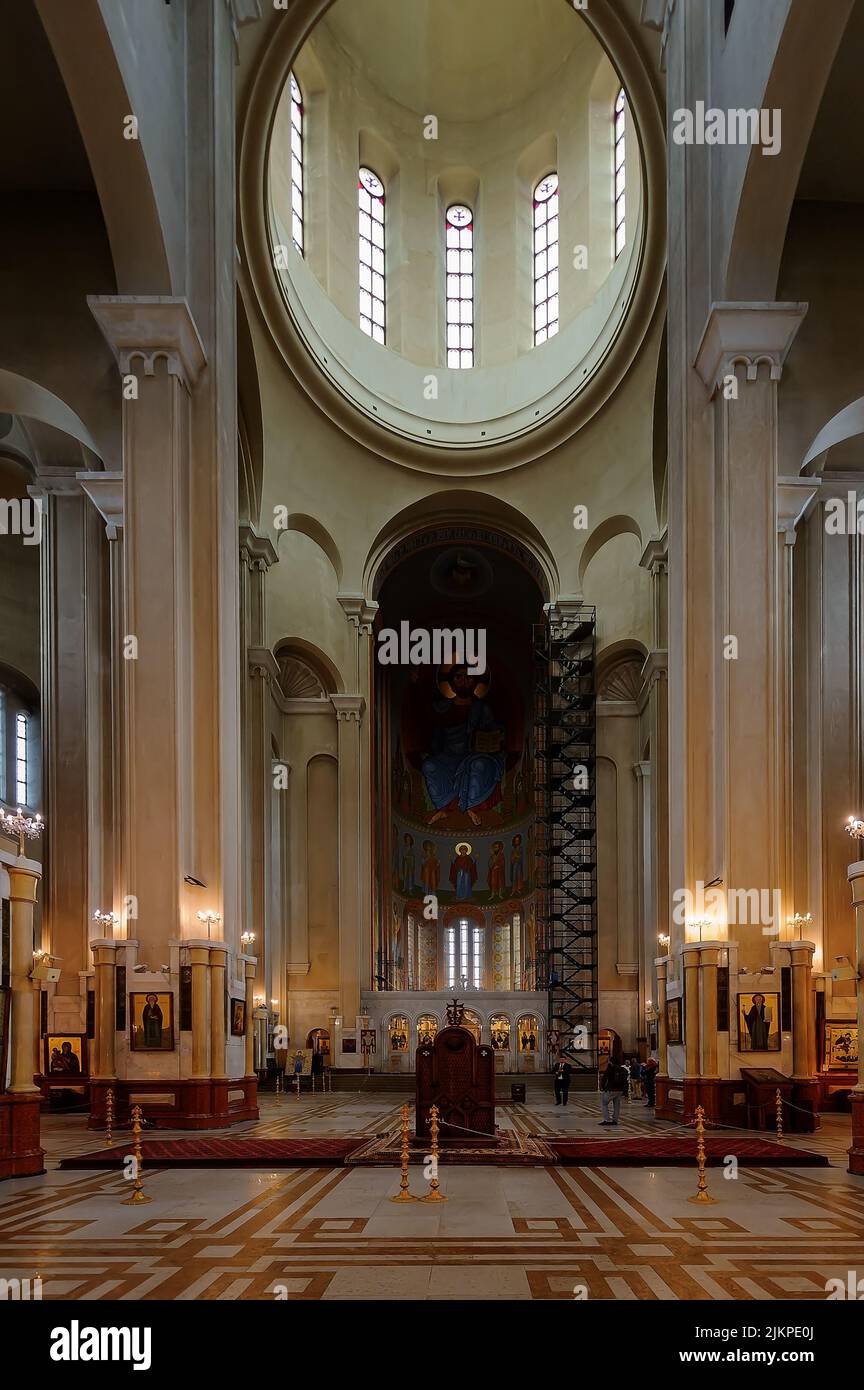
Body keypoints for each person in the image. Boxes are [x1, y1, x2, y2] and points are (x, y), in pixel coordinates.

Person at [600, 1058, 628, 1125]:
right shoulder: (623, 1069)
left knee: (604, 1103)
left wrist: (603, 1087)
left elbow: (604, 1078)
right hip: (620, 1090)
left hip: (611, 1089)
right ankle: (615, 1120)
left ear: (611, 1062)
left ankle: (607, 1119)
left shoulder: (610, 1068)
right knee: (617, 1105)